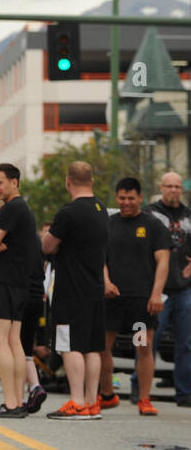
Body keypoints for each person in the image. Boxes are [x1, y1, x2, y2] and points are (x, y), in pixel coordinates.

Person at [42, 162, 110, 420]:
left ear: (68, 182)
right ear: (91, 180)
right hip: (95, 288)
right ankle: (92, 403)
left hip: (71, 290)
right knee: (92, 346)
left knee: (69, 345)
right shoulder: (102, 209)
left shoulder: (68, 212)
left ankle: (77, 401)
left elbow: (48, 246)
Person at [101, 178, 169, 415]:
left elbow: (163, 261)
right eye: (122, 198)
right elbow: (101, 259)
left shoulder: (153, 225)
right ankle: (107, 395)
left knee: (142, 346)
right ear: (116, 197)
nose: (126, 202)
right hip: (112, 299)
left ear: (140, 198)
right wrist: (106, 282)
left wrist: (156, 294)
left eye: (131, 198)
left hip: (141, 301)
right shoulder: (108, 224)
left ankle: (144, 399)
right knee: (103, 347)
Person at [0, 163, 37, 418]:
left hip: (3, 282)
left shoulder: (12, 208)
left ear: (15, 182)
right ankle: (17, 401)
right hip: (20, 283)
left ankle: (11, 403)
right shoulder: (23, 208)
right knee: (14, 342)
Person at [146, 172, 191, 407]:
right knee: (146, 340)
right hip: (156, 289)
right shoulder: (150, 213)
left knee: (186, 343)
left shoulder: (188, 215)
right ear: (161, 187)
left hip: (184, 289)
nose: (173, 190)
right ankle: (139, 388)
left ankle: (184, 393)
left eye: (177, 186)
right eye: (169, 186)